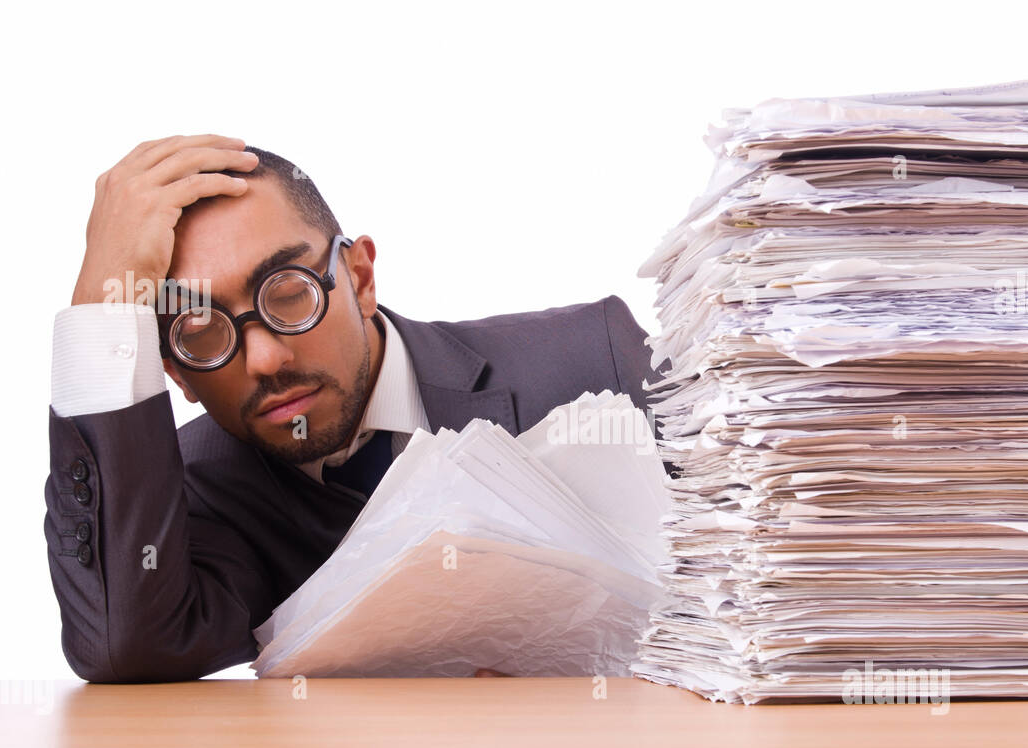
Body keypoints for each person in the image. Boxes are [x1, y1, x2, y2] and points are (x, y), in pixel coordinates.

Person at [45, 135, 664, 684]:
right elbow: (124, 644)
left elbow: (753, 582)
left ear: (361, 279)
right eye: (201, 333)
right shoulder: (197, 487)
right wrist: (102, 305)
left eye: (289, 294)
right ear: (176, 371)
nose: (263, 359)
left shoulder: (590, 360)